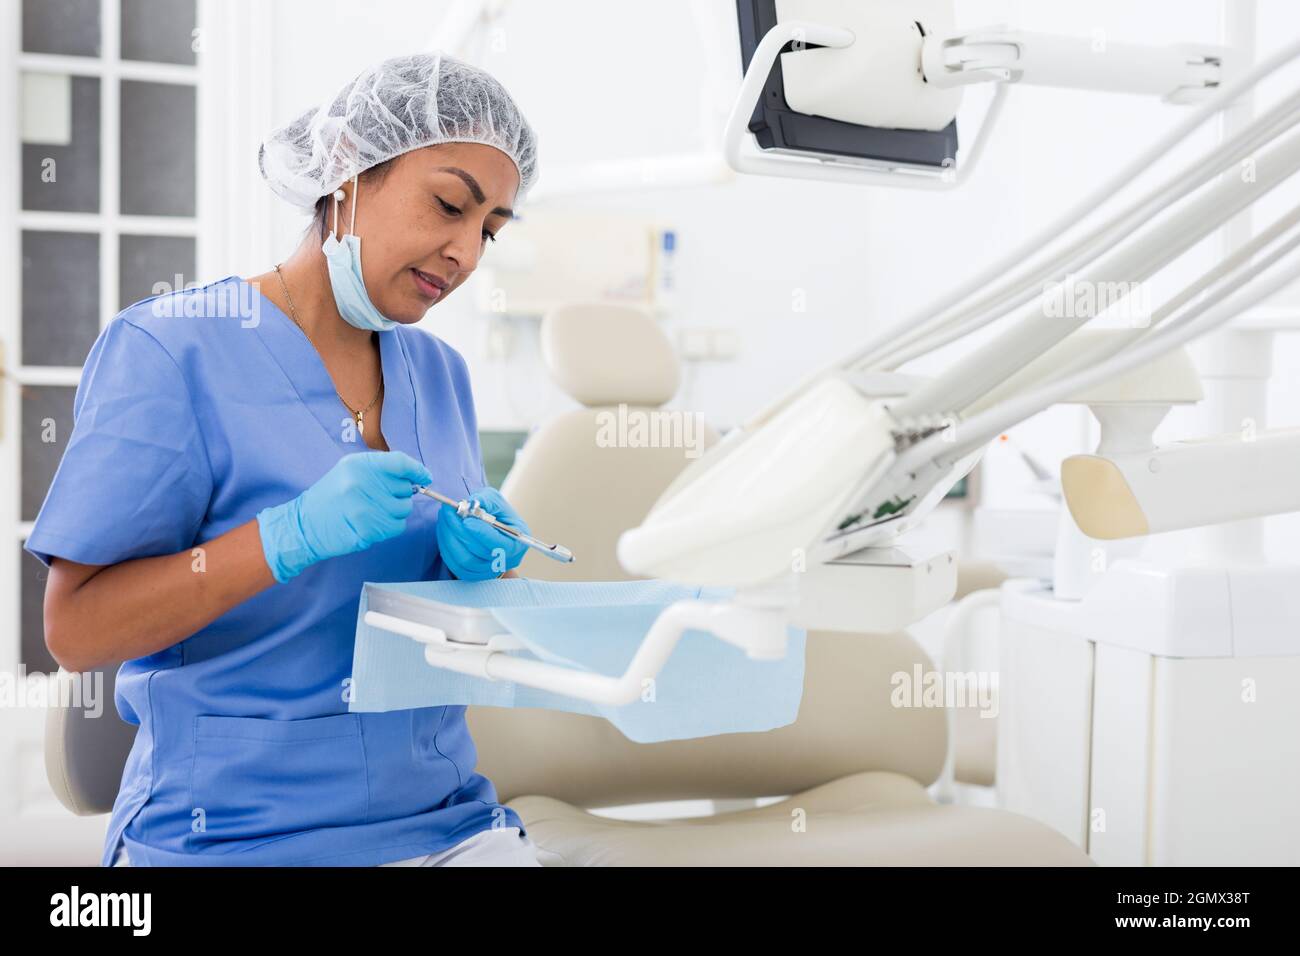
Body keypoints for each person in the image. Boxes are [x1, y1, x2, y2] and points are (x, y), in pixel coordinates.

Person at [26, 52, 545, 867]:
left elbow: (441, 634)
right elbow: (77, 632)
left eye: (488, 229)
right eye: (449, 204)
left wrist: (481, 571)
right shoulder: (172, 350)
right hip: (230, 834)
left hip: (444, 826)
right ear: (346, 173)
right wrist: (286, 537)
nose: (466, 253)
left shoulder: (438, 375)